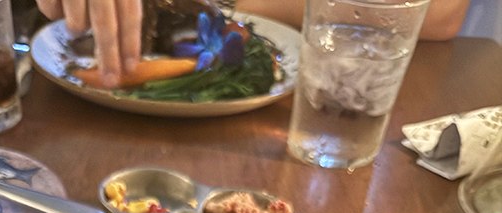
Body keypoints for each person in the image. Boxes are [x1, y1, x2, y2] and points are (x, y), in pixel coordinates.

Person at [34, 0, 475, 88]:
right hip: (83, 88)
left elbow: (441, 12)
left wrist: (234, 4)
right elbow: (56, 12)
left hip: (317, 89)